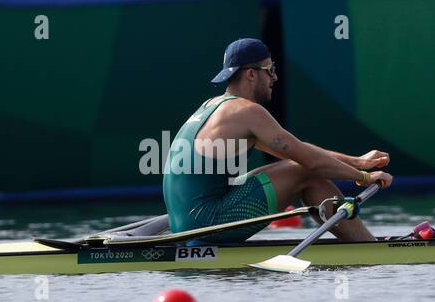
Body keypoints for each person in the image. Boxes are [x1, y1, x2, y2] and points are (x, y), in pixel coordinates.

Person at [162, 38, 393, 243]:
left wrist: (358, 162)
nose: (274, 77)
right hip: (205, 226)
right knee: (305, 171)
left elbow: (299, 151)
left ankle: (364, 243)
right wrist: (364, 178)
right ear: (251, 74)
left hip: (186, 225)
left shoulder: (211, 106)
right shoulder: (247, 111)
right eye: (270, 69)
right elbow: (309, 162)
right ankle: (370, 248)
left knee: (300, 169)